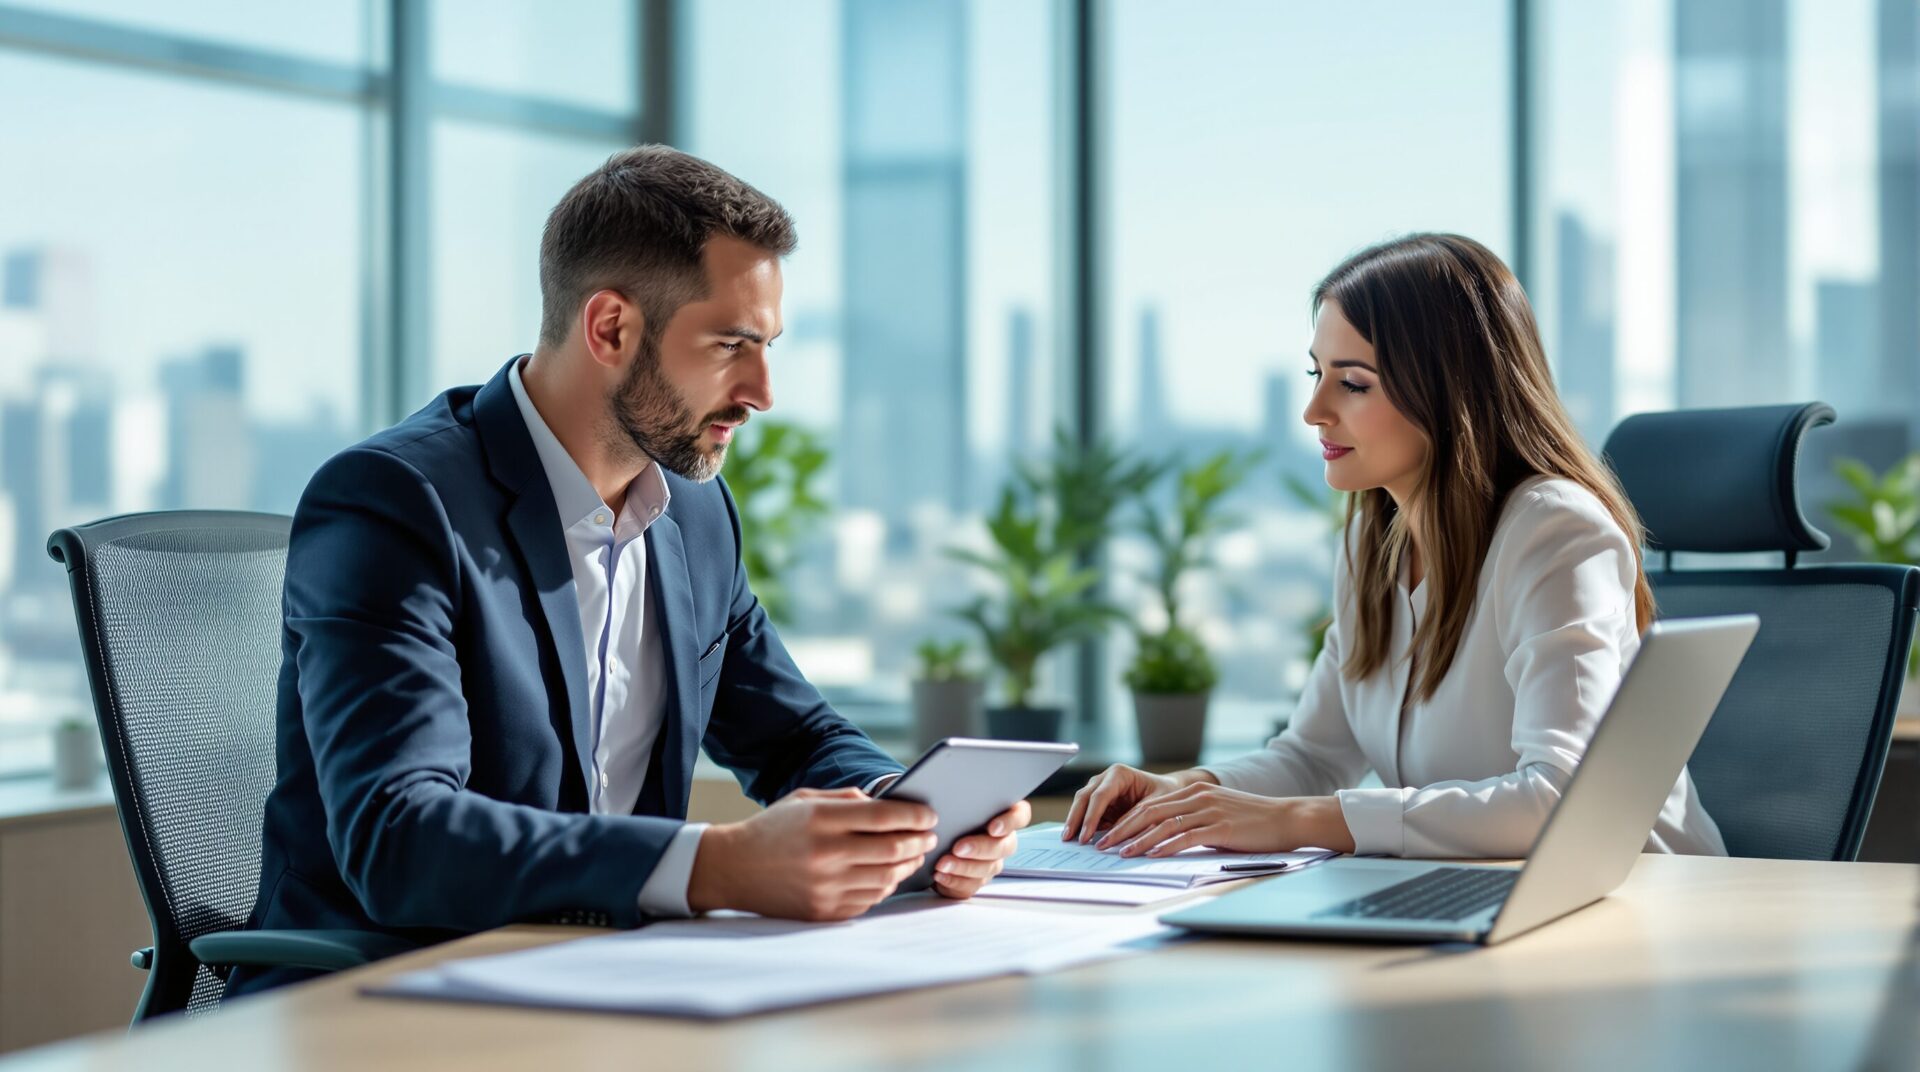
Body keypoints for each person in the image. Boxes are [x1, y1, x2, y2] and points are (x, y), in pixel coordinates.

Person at [229, 146, 1027, 997]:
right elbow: (400, 837)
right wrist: (714, 866)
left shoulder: (693, 513)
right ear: (610, 327)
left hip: (611, 987)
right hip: (388, 999)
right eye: (731, 344)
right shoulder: (397, 503)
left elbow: (794, 735)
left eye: (769, 348)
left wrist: (900, 814)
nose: (762, 391)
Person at [1063, 233, 1725, 861]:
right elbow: (1315, 758)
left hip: (1646, 905)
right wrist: (1185, 795)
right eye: (1316, 373)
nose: (1314, 410)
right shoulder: (1371, 539)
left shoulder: (1554, 532)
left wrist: (1298, 823)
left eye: (1352, 383)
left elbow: (1560, 797)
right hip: (1477, 896)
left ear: (1447, 392)